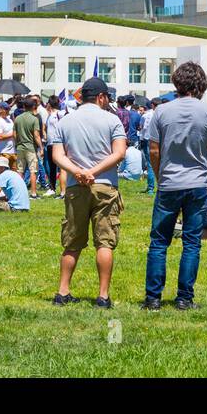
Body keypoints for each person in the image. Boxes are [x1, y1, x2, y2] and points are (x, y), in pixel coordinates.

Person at [142, 61, 207, 310]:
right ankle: (184, 298)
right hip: (197, 182)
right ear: (201, 85)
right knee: (192, 242)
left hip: (169, 182)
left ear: (176, 83)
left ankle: (153, 298)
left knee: (159, 241)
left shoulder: (162, 112)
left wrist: (159, 175)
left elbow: (153, 151)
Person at [49, 77, 127, 309]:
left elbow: (57, 156)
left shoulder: (65, 122)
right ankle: (102, 296)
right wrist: (93, 171)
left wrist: (79, 172)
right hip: (105, 185)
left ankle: (63, 291)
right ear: (101, 97)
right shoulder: (112, 120)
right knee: (104, 242)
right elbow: (119, 153)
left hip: (75, 186)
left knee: (72, 241)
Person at [12, 97, 43, 197]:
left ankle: (19, 192)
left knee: (20, 171)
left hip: (20, 147)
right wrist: (41, 148)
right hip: (31, 148)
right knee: (33, 171)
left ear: (24, 106)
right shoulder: (34, 119)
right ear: (33, 107)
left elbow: (14, 134)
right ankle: (33, 193)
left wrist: (18, 143)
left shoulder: (17, 118)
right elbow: (36, 136)